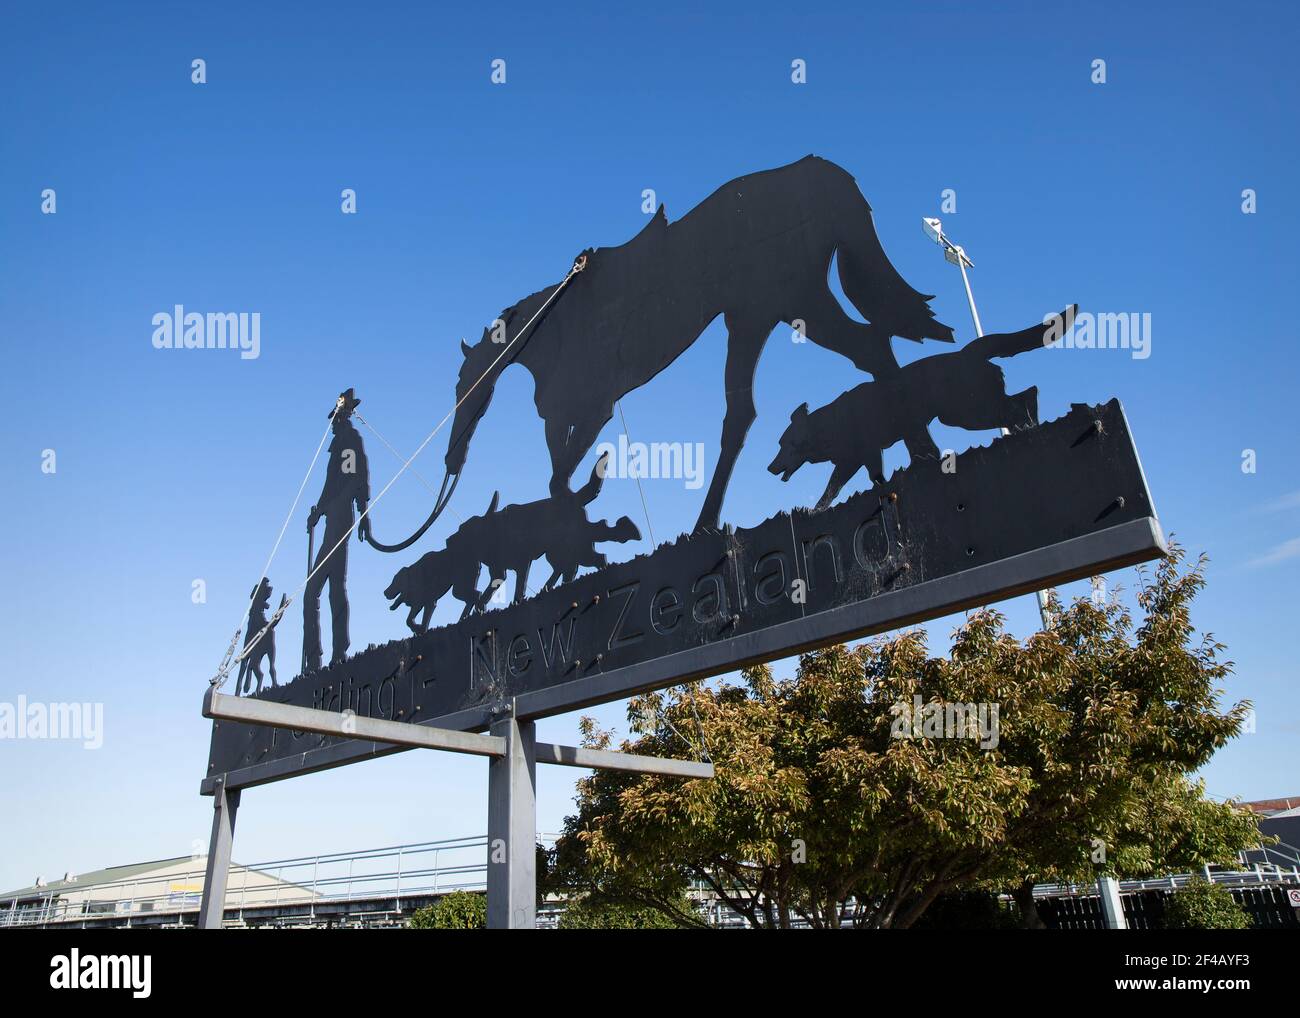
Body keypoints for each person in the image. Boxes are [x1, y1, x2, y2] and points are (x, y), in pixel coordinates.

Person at [303, 388, 371, 671]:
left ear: (345, 415)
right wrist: (318, 513)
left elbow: (358, 477)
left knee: (320, 590)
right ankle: (324, 656)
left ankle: (331, 654)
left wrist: (364, 513)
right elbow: (329, 487)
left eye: (337, 415)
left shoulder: (349, 440)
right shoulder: (340, 444)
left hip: (341, 519)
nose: (332, 421)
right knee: (326, 589)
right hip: (333, 518)